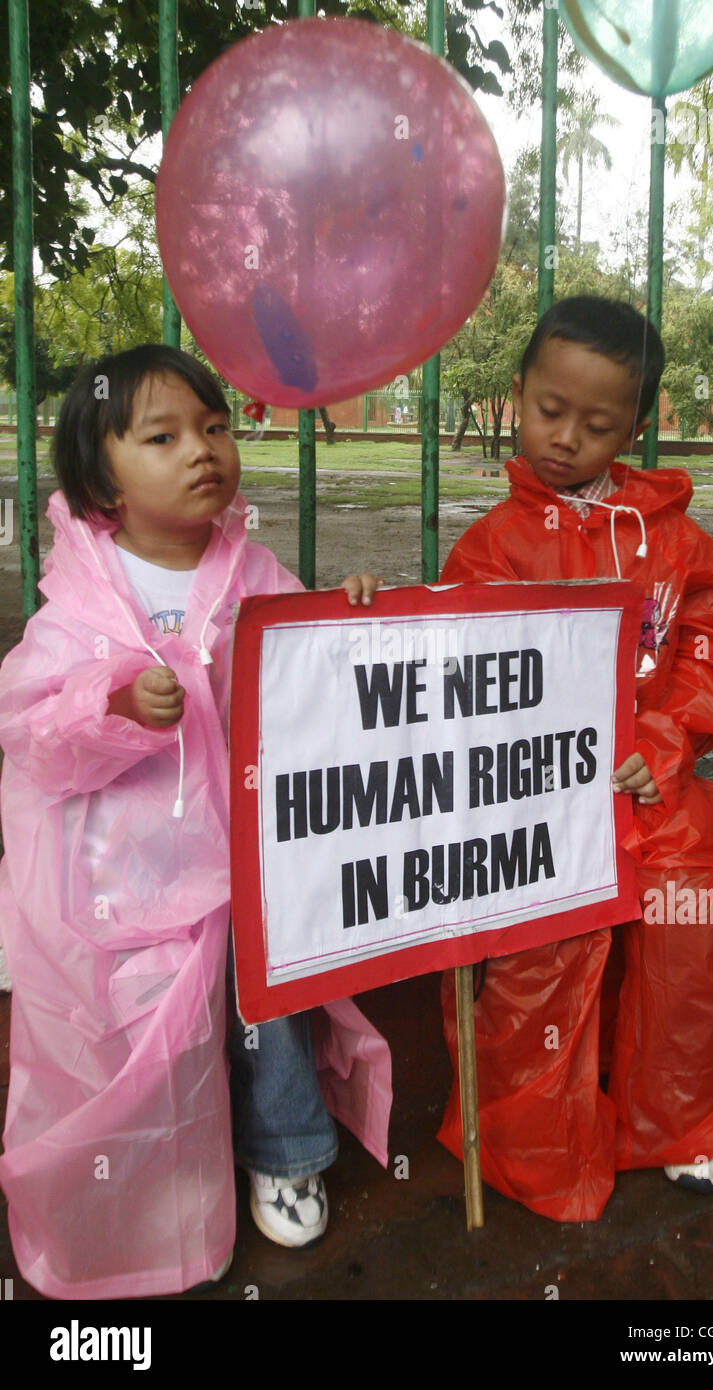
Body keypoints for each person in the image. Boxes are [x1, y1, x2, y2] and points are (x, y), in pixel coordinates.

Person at [0, 345, 389, 1298]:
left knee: (271, 1002)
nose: (201, 451)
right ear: (103, 476)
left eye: (214, 428)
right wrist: (114, 703)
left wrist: (349, 618)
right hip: (128, 875)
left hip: (245, 855)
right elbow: (30, 722)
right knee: (141, 1031)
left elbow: (319, 671)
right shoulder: (80, 604)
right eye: (162, 436)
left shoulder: (255, 570)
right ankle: (154, 1179)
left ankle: (288, 1150)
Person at [436, 296, 713, 1222]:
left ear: (633, 425)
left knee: (686, 941)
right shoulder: (492, 545)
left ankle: (695, 1116)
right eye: (549, 411)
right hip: (534, 807)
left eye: (596, 423)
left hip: (651, 792)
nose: (565, 439)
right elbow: (451, 671)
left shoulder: (668, 537)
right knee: (534, 952)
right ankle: (532, 1132)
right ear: (518, 394)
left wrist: (667, 740)